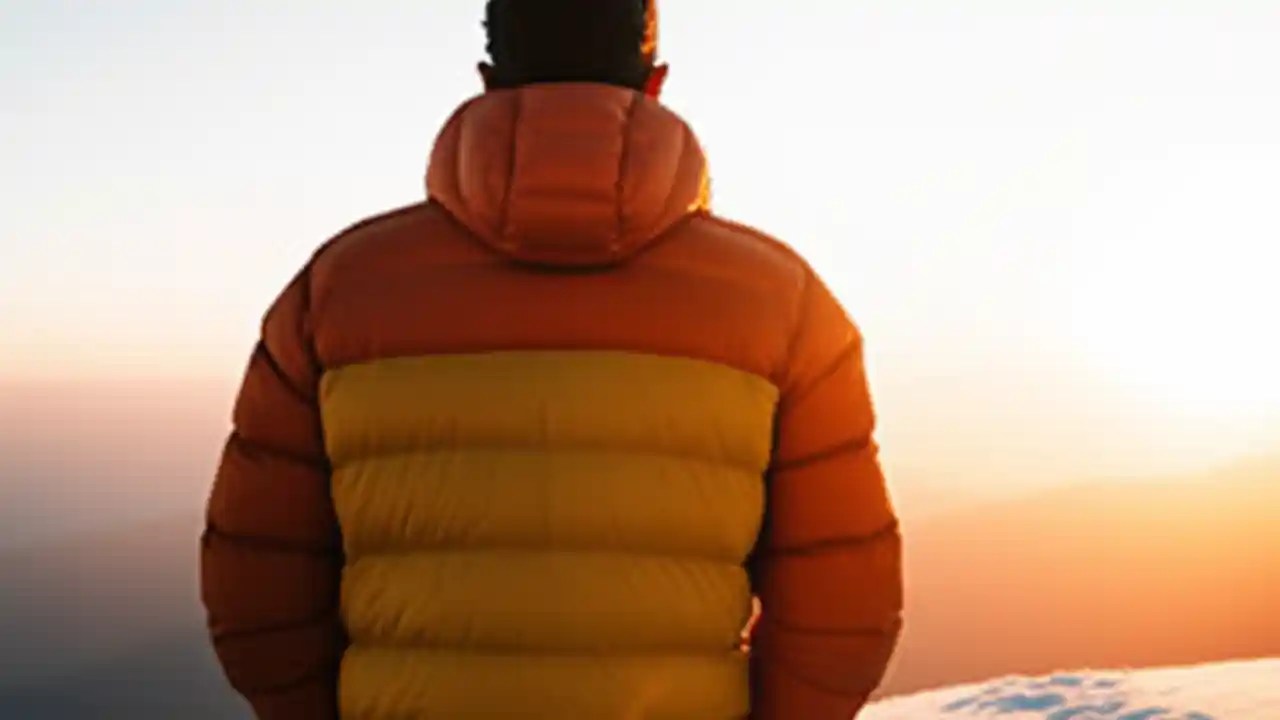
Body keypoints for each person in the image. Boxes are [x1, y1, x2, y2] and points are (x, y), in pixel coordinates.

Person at [199, 1, 903, 718]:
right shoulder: (785, 303)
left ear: (487, 79)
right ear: (653, 83)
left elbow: (256, 595)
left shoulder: (336, 290)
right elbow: (846, 610)